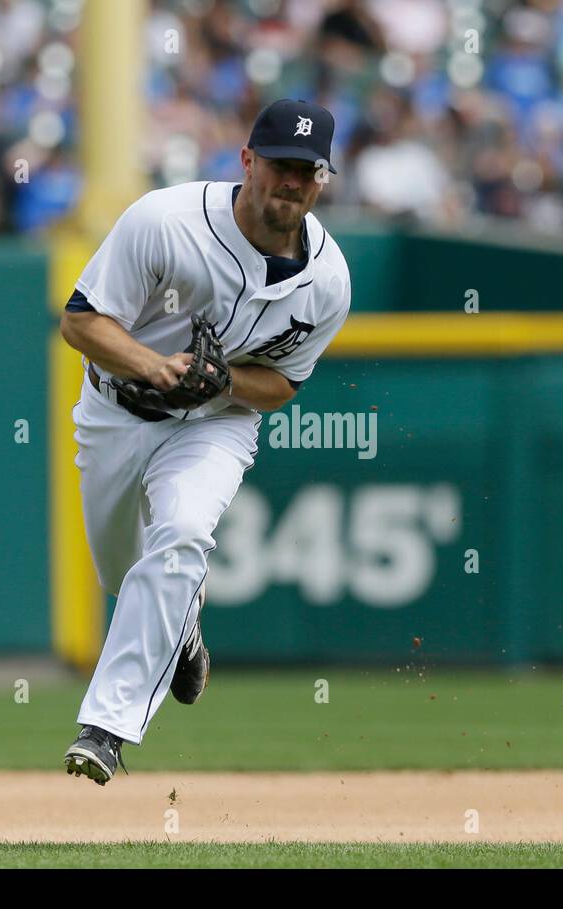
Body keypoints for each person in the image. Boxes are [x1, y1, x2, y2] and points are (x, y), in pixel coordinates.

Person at [59, 99, 352, 784]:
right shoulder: (166, 222)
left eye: (308, 172)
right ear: (247, 160)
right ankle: (181, 624)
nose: (293, 184)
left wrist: (223, 386)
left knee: (185, 534)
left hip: (215, 427)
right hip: (116, 411)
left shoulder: (329, 281)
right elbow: (80, 324)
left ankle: (106, 729)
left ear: (322, 180)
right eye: (281, 166)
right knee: (120, 573)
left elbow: (282, 387)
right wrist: (158, 368)